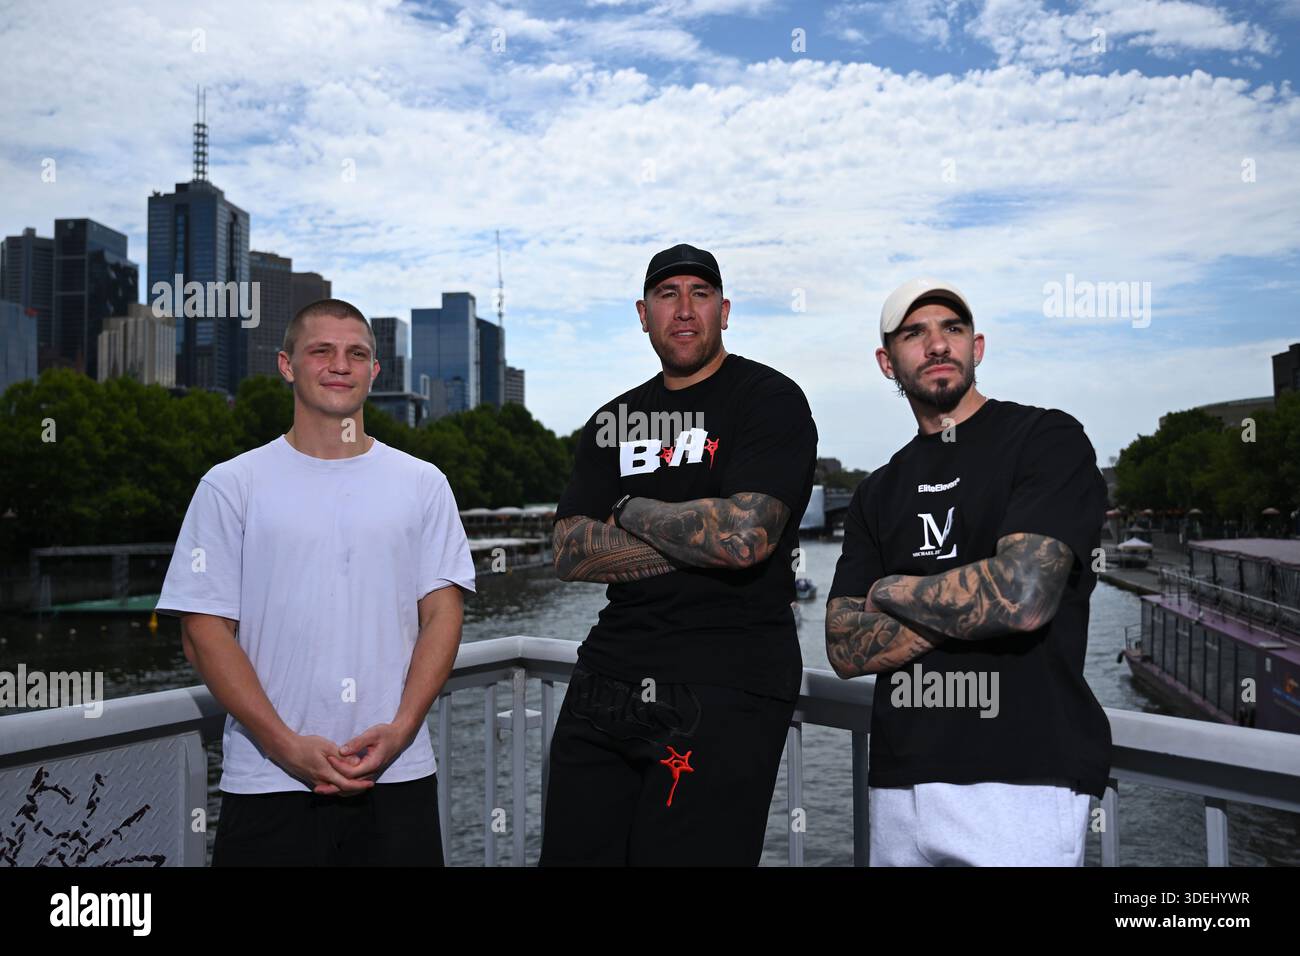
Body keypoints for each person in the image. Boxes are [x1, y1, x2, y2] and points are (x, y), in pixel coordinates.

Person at [155, 298, 475, 866]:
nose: (340, 365)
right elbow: (203, 631)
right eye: (320, 351)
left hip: (397, 775)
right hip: (267, 782)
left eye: (357, 354)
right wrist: (285, 746)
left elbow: (443, 614)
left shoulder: (424, 483)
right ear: (287, 365)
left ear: (375, 371)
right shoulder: (231, 485)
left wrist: (400, 730)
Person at [540, 244, 818, 866]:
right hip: (607, 679)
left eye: (700, 293)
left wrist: (630, 508)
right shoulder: (612, 421)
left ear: (725, 309)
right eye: (668, 295)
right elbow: (568, 550)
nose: (685, 309)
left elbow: (744, 536)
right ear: (644, 314)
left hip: (726, 682)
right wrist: (702, 535)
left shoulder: (768, 399)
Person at [825, 277, 1111, 867]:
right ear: (887, 362)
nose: (936, 345)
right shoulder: (877, 491)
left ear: (976, 348)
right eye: (915, 333)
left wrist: (890, 590)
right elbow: (843, 645)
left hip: (1023, 778)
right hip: (900, 781)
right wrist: (979, 599)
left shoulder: (1045, 439)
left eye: (952, 329)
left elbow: (1023, 596)